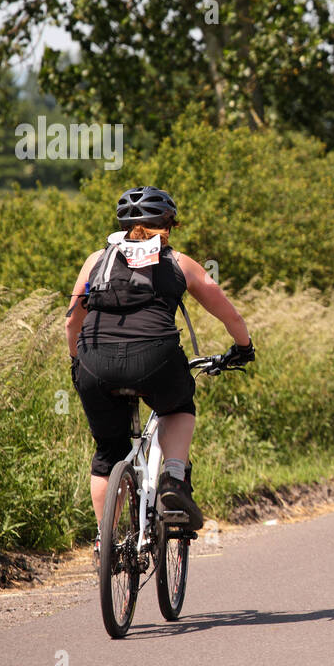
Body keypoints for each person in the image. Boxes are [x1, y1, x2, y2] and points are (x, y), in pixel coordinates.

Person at [65, 187, 255, 540]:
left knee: (108, 454)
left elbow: (71, 322)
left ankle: (104, 541)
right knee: (179, 407)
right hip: (156, 359)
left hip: (95, 362)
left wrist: (78, 365)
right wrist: (243, 348)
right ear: (169, 225)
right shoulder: (179, 262)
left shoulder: (97, 260)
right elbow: (230, 314)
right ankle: (173, 480)